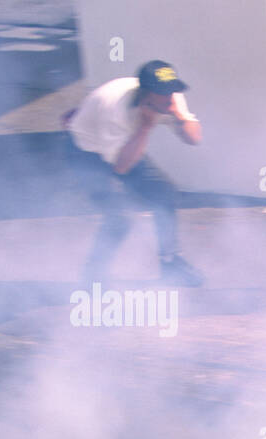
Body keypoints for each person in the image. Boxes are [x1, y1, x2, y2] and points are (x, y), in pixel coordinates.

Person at [65, 60, 204, 287]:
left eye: (172, 90)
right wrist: (145, 127)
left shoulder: (171, 99)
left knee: (165, 194)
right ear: (146, 95)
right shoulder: (114, 111)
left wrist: (179, 117)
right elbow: (121, 168)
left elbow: (194, 139)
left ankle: (171, 263)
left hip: (123, 146)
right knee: (120, 217)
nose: (170, 98)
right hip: (86, 152)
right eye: (163, 93)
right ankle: (93, 275)